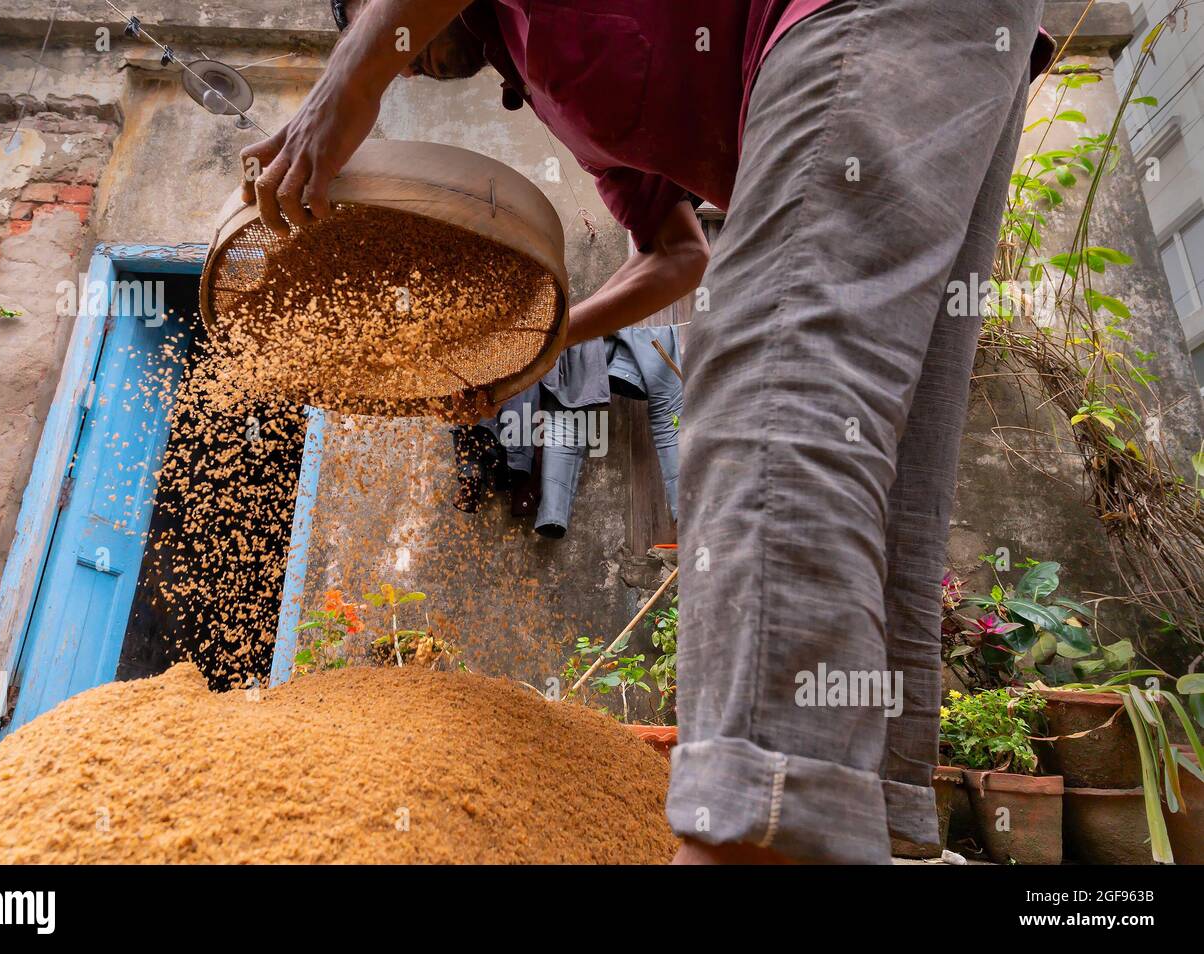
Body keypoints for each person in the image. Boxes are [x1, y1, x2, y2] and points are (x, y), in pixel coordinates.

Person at [243, 0, 1054, 864]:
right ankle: (874, 822)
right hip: (954, 42)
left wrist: (346, 84)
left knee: (771, 376)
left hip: (863, 20)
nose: (402, 63)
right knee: (879, 453)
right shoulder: (552, 85)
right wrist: (539, 349)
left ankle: (760, 831)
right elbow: (678, 254)